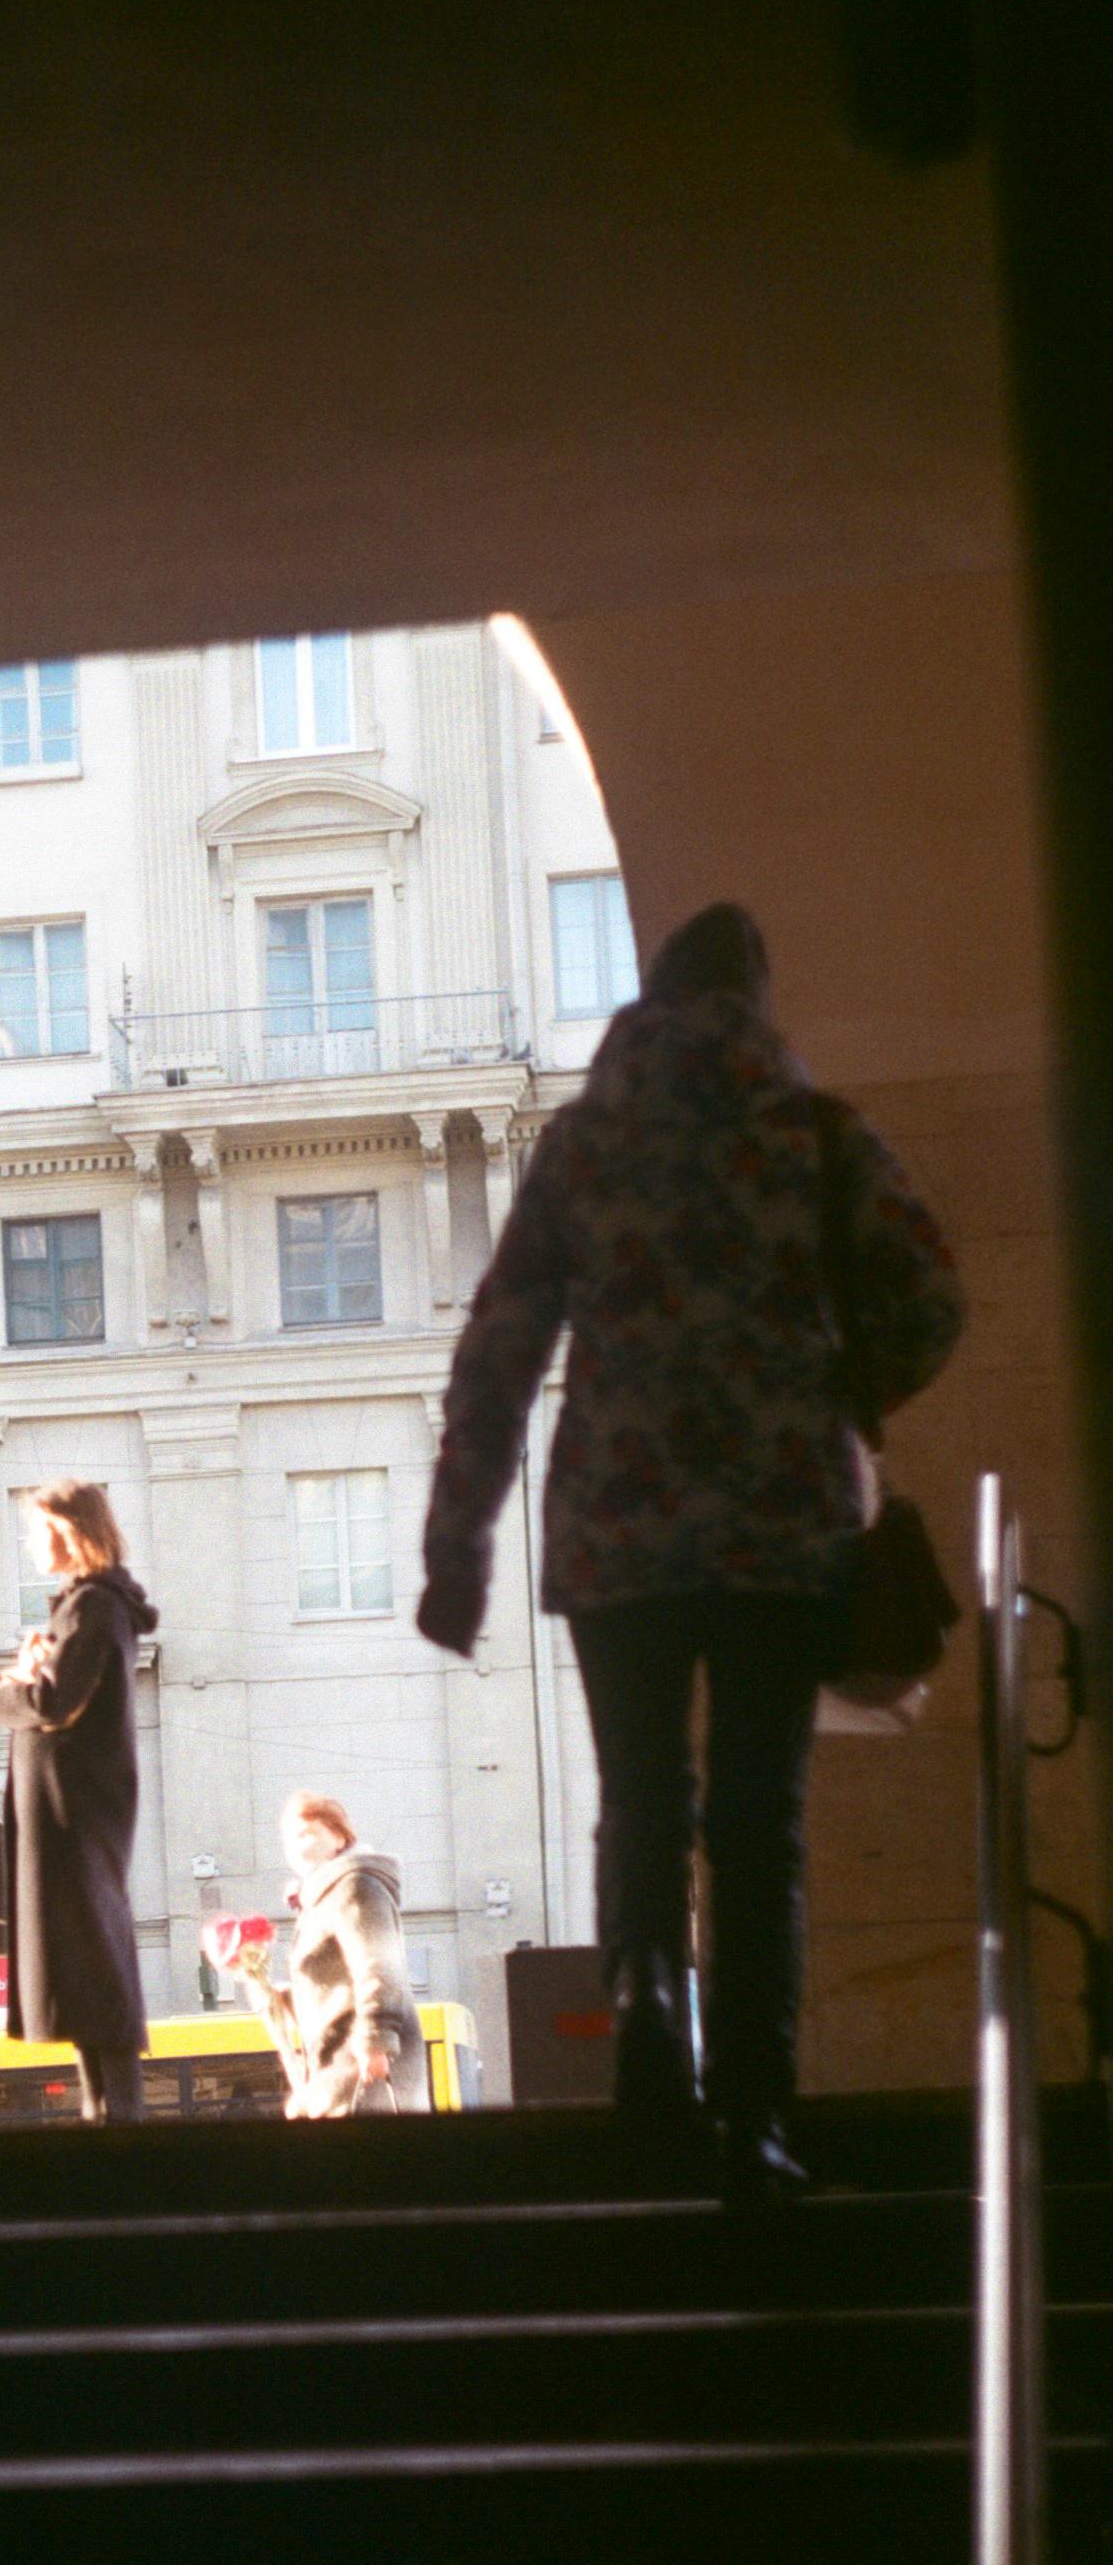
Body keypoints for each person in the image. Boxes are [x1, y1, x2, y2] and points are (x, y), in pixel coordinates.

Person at [417, 901, 964, 2201]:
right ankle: (755, 2121)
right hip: (779, 1522)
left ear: (646, 1003)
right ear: (756, 1006)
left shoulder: (583, 1142)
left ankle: (649, 2026)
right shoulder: (814, 1135)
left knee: (640, 1800)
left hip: (618, 1521)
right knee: (756, 1821)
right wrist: (844, 1392)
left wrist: (457, 1541)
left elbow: (498, 1343)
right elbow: (929, 1296)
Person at [0, 1481, 157, 2123]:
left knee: (92, 1958)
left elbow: (52, 1704)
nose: (31, 1545)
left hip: (74, 1812)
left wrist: (9, 1689)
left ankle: (116, 2116)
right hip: (70, 1809)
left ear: (68, 1530)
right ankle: (102, 2111)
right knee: (82, 1968)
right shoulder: (87, 1607)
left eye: (38, 1531)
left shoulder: (93, 1607)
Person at [262, 1791, 430, 2117]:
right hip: (338, 2072)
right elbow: (337, 1994)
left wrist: (375, 2041)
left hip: (362, 2072)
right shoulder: (321, 1899)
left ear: (339, 1837)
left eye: (307, 1833)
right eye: (289, 1838)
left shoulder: (354, 1885)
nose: (296, 1846)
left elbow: (378, 1966)